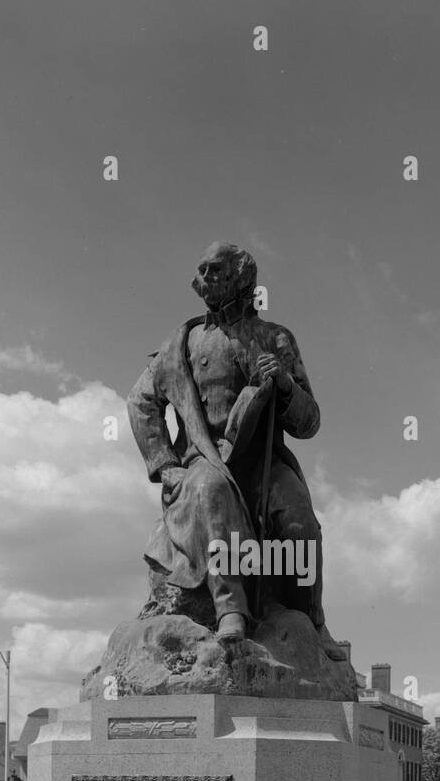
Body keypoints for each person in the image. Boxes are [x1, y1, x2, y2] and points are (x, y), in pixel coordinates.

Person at [128, 241, 345, 656]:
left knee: (299, 517)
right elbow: (140, 401)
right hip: (204, 459)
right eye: (201, 270)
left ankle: (311, 621)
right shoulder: (184, 342)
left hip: (261, 463)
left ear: (240, 278)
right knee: (211, 491)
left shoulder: (274, 337)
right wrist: (164, 464)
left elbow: (309, 422)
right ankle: (231, 609)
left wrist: (283, 384)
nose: (202, 279)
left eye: (213, 270)